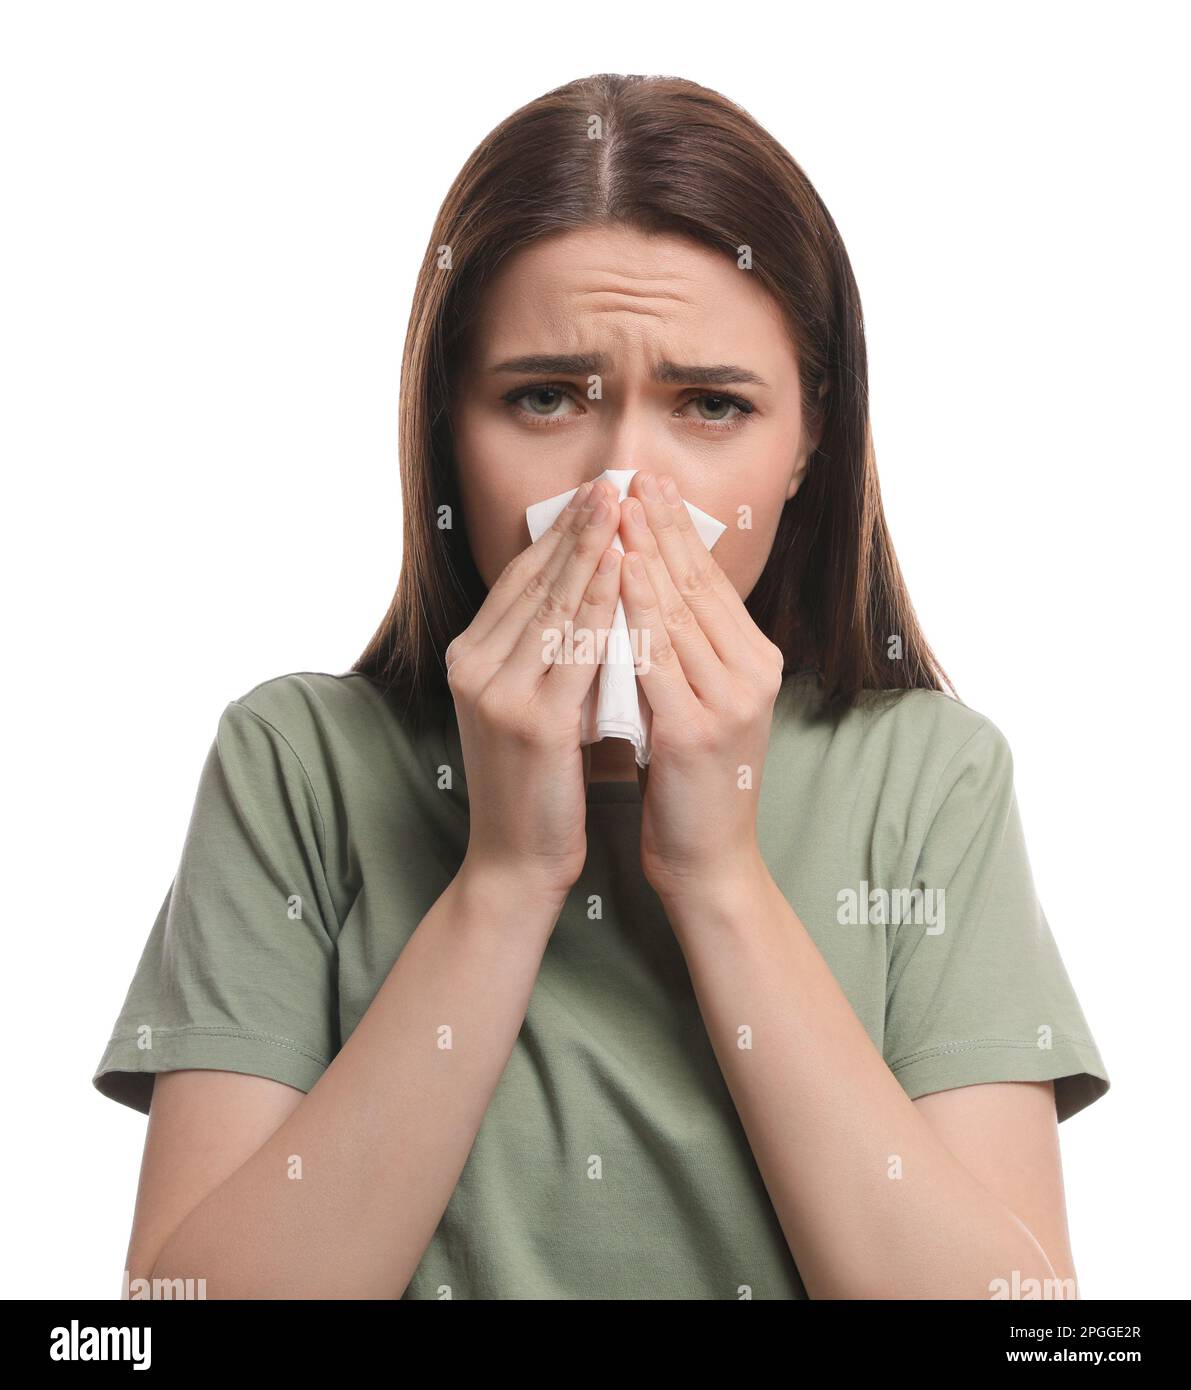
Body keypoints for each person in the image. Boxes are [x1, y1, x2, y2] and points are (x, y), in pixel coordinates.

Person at [92, 73, 1110, 1300]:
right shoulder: (297, 765)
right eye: (543, 397)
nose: (621, 488)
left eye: (712, 405)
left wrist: (720, 875)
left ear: (808, 442)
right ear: (444, 426)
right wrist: (508, 875)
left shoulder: (929, 779)